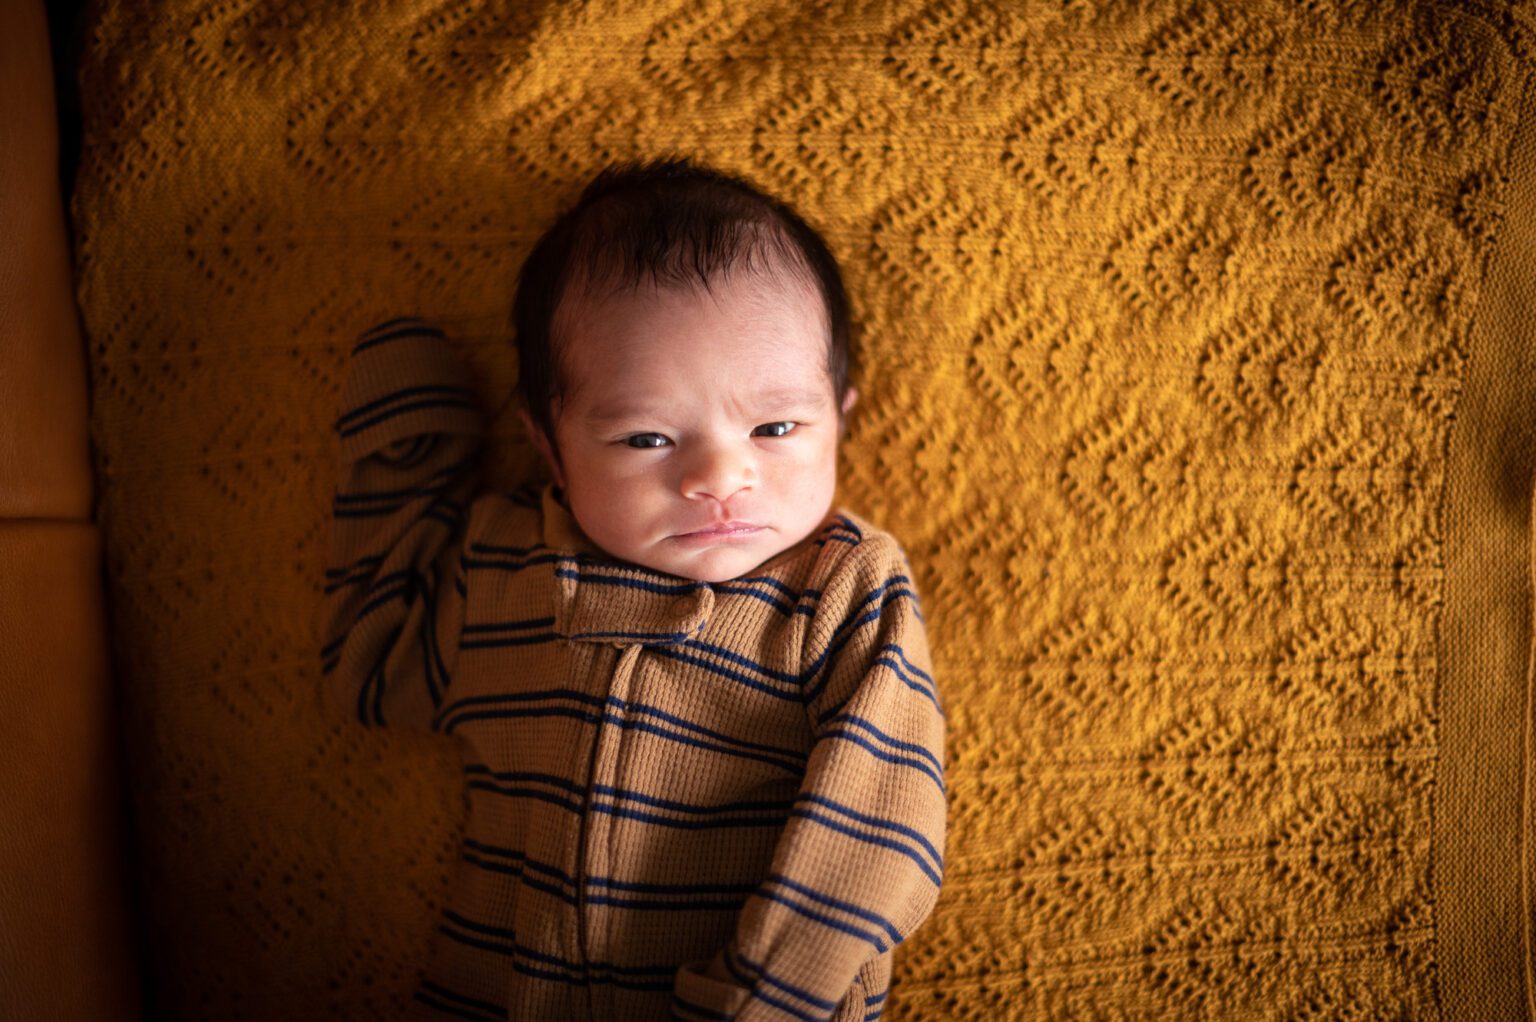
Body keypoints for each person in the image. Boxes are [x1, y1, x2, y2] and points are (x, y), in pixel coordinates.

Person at [316, 155, 946, 1021]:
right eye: (647, 438)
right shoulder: (503, 566)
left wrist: (755, 1002)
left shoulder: (843, 586)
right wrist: (407, 461)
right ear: (549, 444)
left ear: (840, 412)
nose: (722, 476)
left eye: (776, 426)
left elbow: (882, 828)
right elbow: (372, 672)